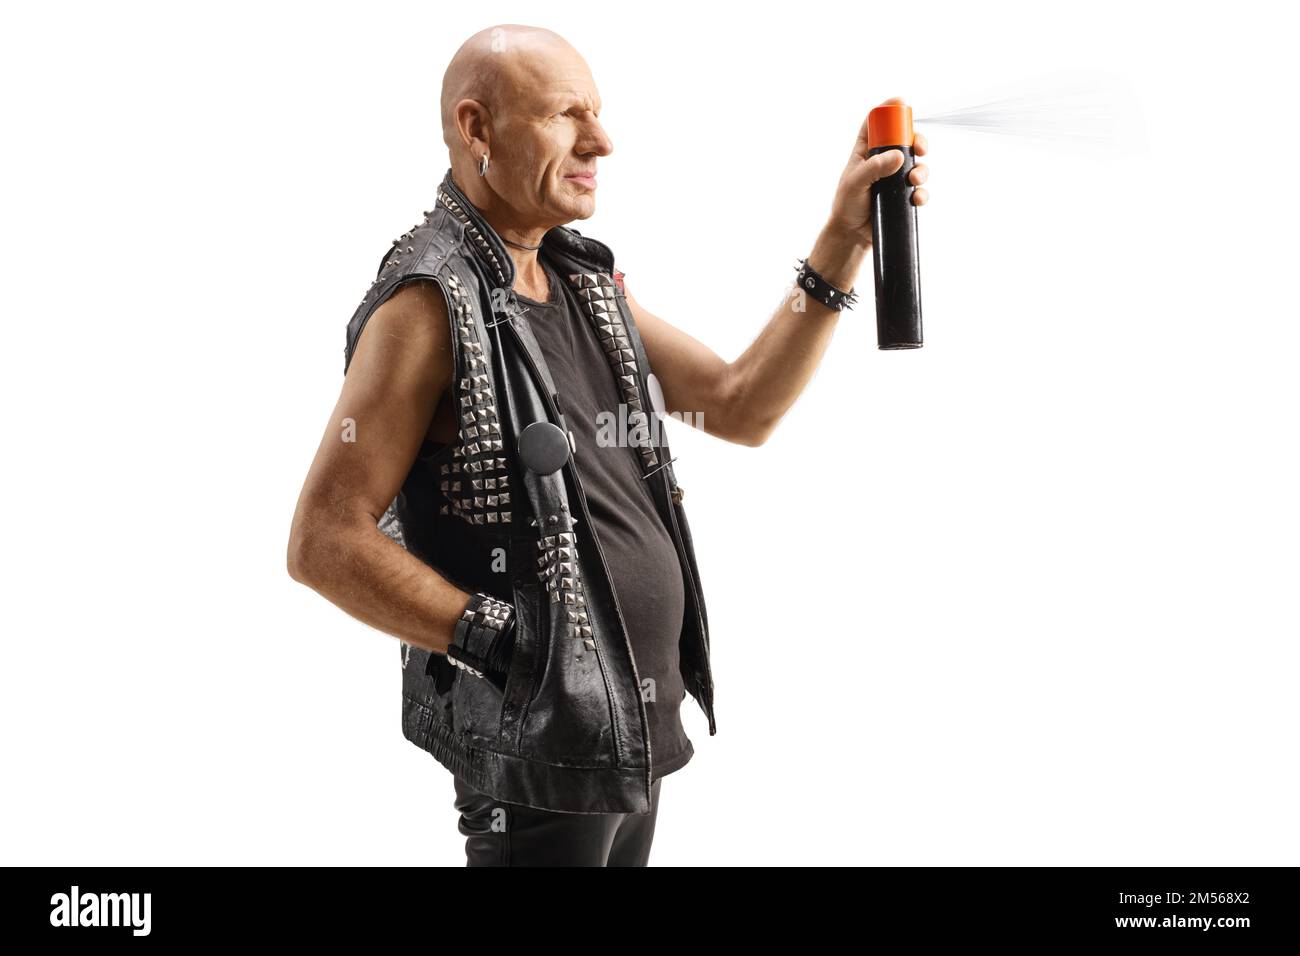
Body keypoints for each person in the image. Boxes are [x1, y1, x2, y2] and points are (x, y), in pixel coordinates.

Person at [286, 23, 930, 866]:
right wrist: (514, 649)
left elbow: (740, 406)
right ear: (476, 129)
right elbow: (324, 539)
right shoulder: (426, 303)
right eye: (566, 116)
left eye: (598, 113)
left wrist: (846, 235)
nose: (602, 141)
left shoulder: (580, 284)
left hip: (624, 737)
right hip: (538, 760)